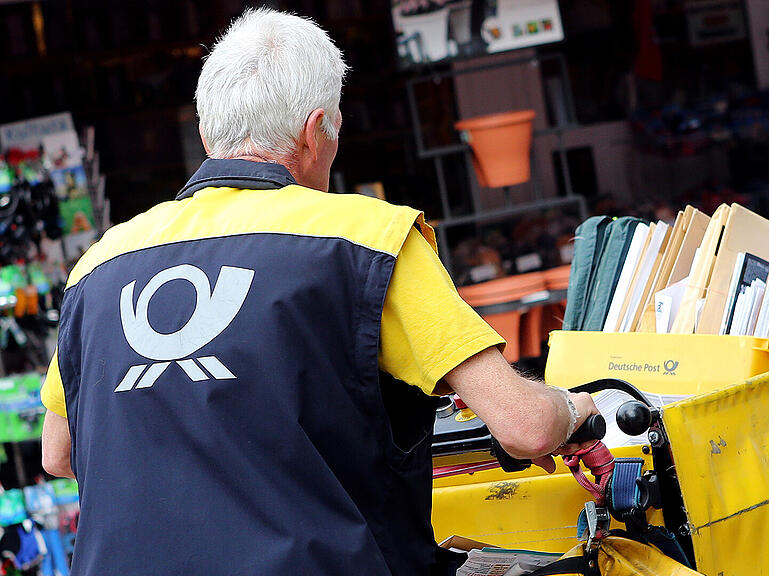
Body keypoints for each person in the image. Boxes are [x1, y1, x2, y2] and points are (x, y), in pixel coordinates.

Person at [38, 8, 598, 576]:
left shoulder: (99, 265)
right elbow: (526, 428)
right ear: (315, 130)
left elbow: (58, 454)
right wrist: (576, 408)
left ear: (209, 135)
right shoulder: (364, 240)